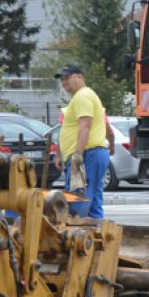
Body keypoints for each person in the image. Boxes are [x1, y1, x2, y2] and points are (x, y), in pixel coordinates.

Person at [55, 64, 111, 219]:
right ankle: (97, 230)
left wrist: (78, 155)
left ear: (79, 77)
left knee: (78, 199)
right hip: (92, 153)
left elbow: (85, 125)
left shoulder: (82, 96)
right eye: (62, 79)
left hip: (86, 154)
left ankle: (78, 231)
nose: (64, 82)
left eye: (67, 78)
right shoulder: (83, 96)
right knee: (92, 199)